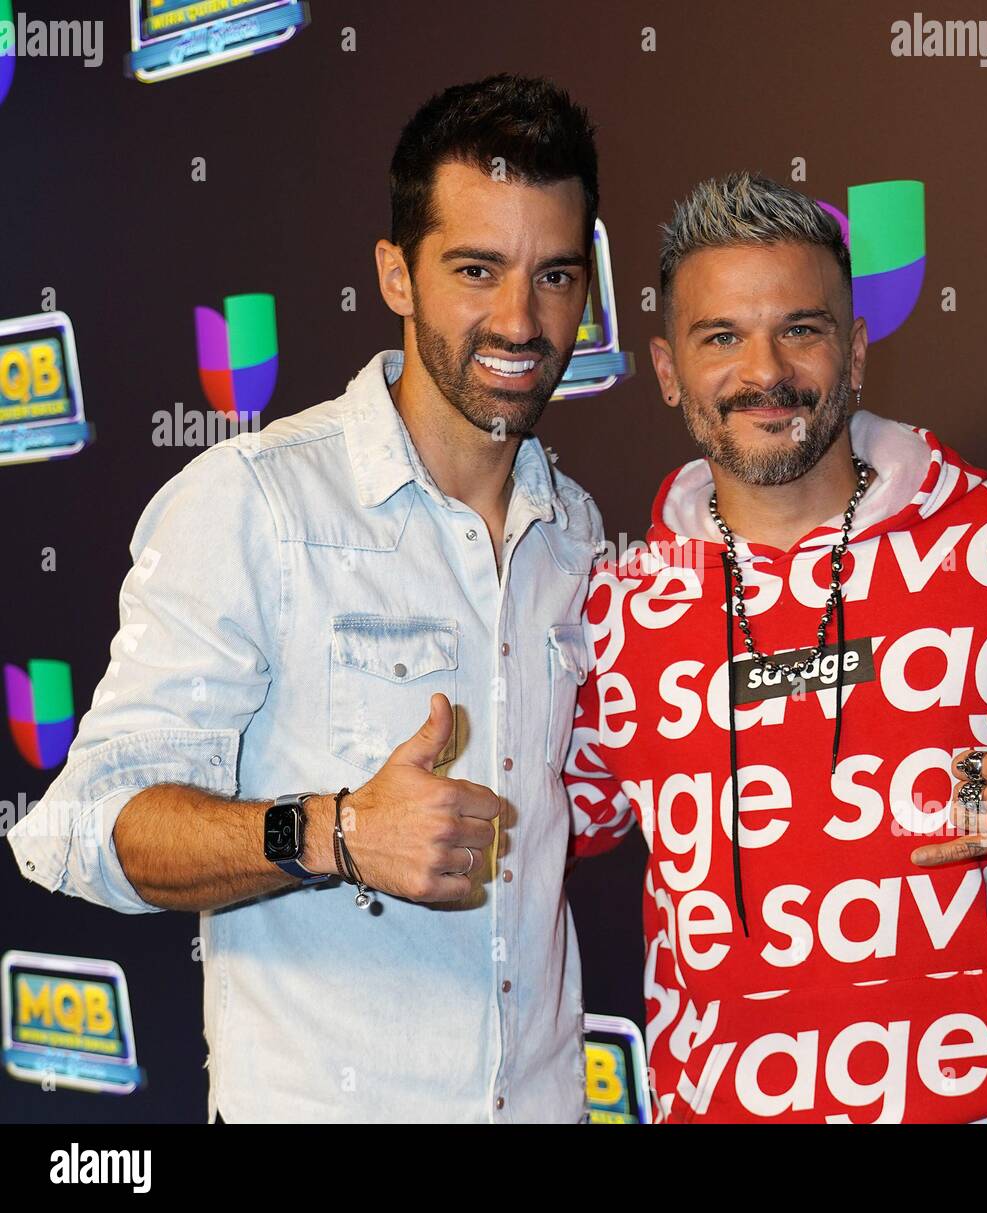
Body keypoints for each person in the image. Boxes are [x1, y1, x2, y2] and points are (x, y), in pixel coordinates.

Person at [563, 171, 987, 1123]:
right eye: (723, 337)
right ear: (669, 368)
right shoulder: (617, 601)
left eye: (802, 328)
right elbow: (550, 819)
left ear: (857, 349)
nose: (766, 371)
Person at [7, 74, 606, 1124]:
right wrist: (332, 833)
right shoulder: (255, 502)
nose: (521, 317)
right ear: (396, 275)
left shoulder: (580, 532)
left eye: (554, 274)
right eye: (477, 269)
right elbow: (85, 828)